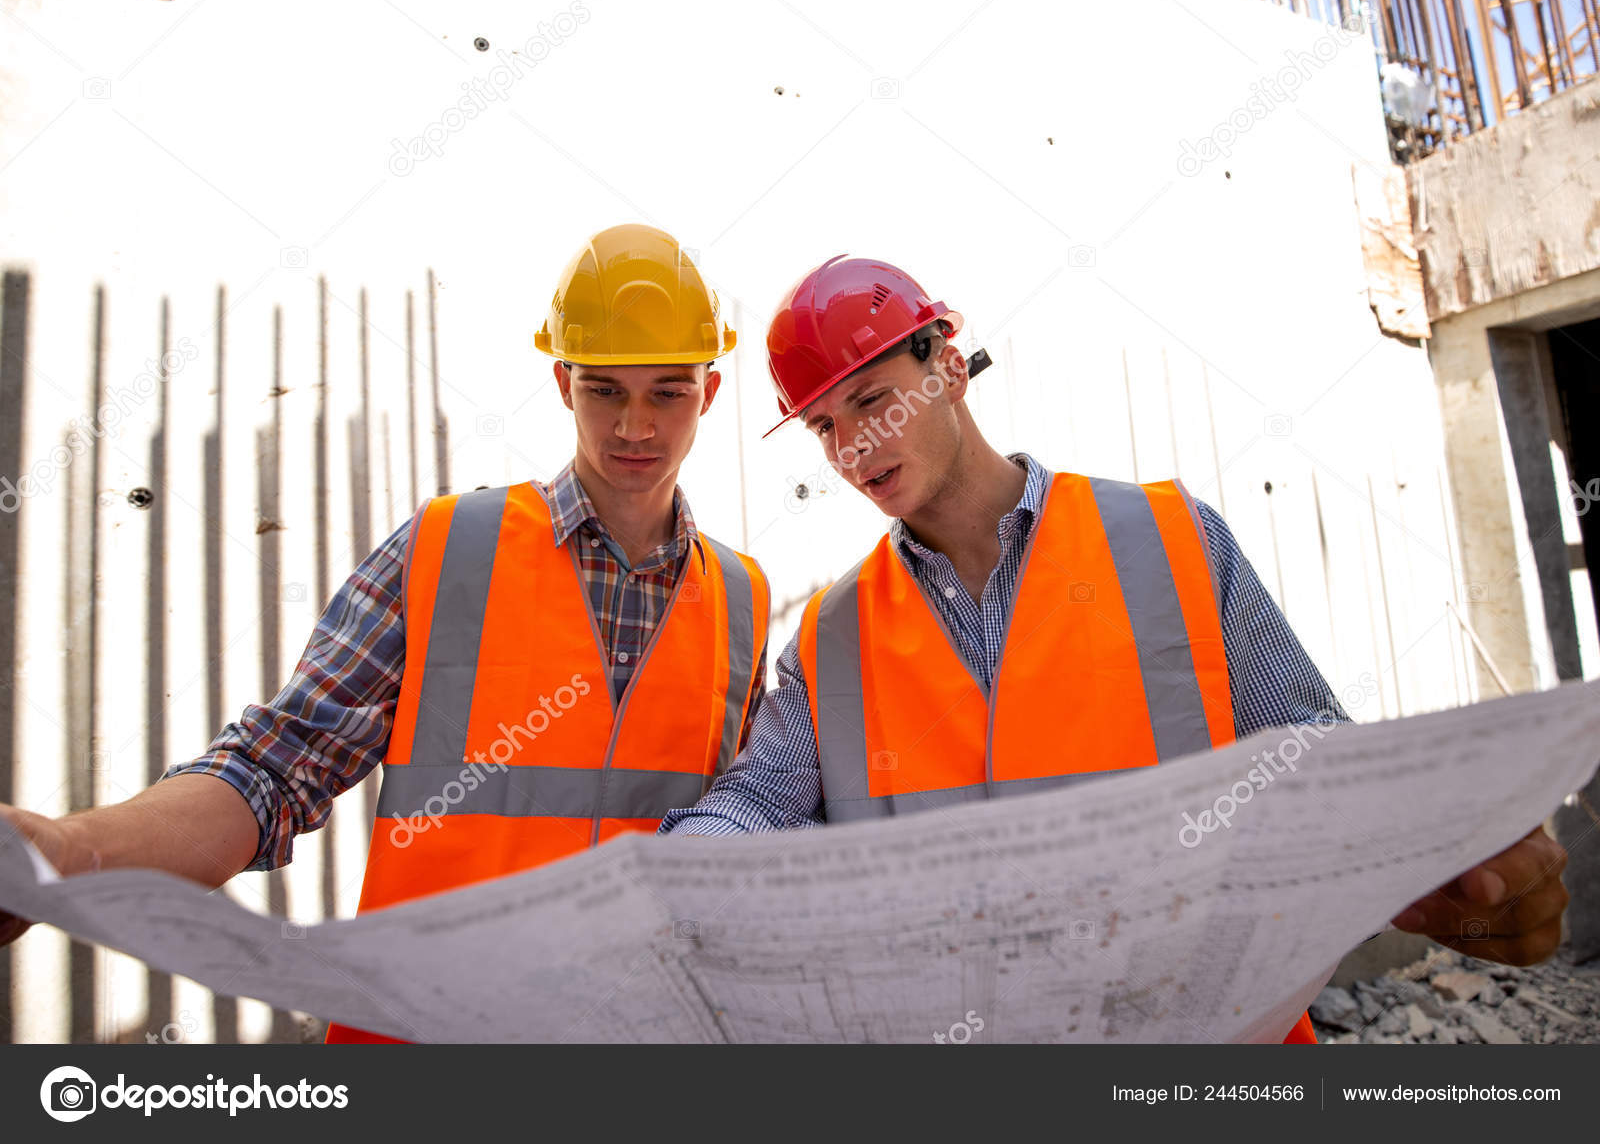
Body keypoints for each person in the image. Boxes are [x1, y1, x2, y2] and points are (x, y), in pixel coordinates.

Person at [660, 254, 1569, 1043]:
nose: (853, 448)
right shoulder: (834, 633)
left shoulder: (1169, 540)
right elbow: (755, 801)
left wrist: (1434, 844)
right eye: (823, 426)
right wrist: (677, 874)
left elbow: (1309, 758)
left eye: (870, 401)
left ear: (944, 366)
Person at [0, 223, 771, 1045]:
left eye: (668, 391)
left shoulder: (740, 600)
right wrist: (66, 848)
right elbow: (276, 769)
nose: (635, 426)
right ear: (561, 383)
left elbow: (743, 839)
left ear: (710, 393)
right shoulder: (452, 550)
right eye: (604, 389)